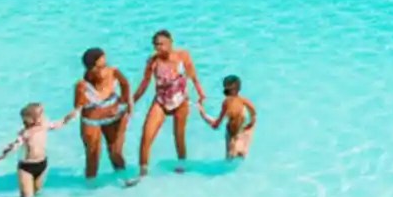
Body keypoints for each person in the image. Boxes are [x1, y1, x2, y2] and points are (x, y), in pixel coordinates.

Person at [134, 30, 205, 176]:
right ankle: (142, 172)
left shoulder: (182, 56)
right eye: (156, 45)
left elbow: (192, 75)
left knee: (179, 136)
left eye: (162, 44)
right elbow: (145, 83)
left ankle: (182, 165)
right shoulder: (153, 62)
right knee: (146, 135)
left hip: (180, 100)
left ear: (170, 42)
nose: (159, 48)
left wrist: (200, 94)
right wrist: (132, 101)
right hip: (161, 100)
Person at [0, 102, 79, 197]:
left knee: (36, 192)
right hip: (26, 168)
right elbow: (16, 145)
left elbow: (59, 124)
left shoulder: (44, 125)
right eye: (42, 114)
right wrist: (6, 152)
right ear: (35, 119)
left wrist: (68, 117)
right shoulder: (25, 133)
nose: (44, 116)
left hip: (42, 165)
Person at [74, 48, 133, 179]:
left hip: (113, 116)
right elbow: (78, 104)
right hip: (92, 120)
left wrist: (126, 102)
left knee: (115, 152)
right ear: (93, 65)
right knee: (92, 155)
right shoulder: (83, 83)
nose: (105, 60)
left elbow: (125, 84)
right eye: (102, 60)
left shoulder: (112, 71)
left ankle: (123, 179)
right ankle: (90, 190)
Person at [198, 75, 258, 160]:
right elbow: (253, 112)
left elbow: (253, 112)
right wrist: (203, 114)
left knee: (236, 155)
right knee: (233, 155)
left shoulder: (237, 102)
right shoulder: (230, 103)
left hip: (241, 130)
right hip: (233, 132)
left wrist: (252, 122)